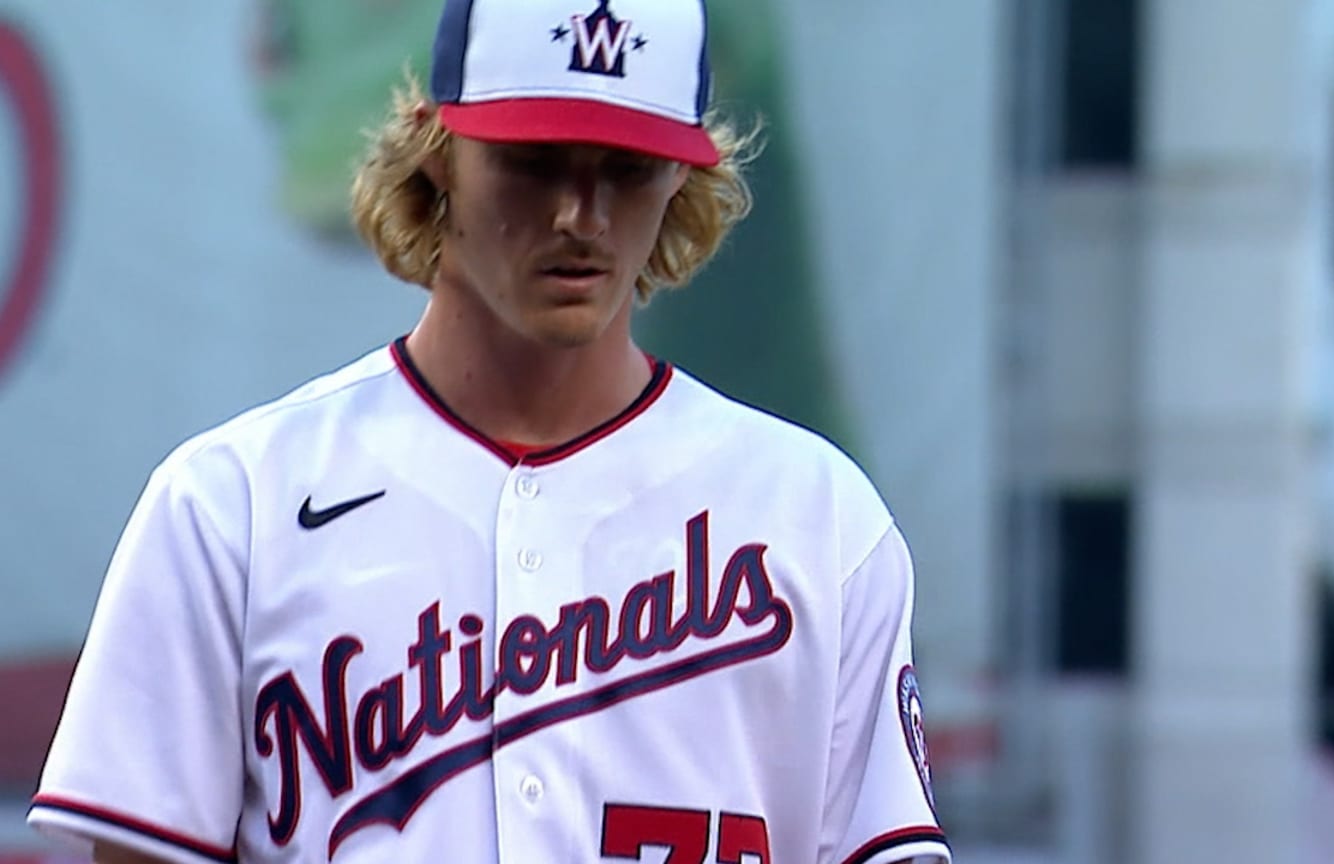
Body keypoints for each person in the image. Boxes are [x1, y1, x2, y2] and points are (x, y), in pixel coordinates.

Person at [28, 1, 951, 862]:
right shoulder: (230, 505)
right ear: (435, 153)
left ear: (682, 174)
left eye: (625, 170)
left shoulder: (817, 518)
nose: (578, 217)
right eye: (536, 160)